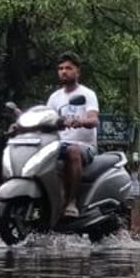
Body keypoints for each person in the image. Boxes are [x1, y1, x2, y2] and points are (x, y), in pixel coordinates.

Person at [47, 53, 100, 218]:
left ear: (77, 72)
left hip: (84, 146)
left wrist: (82, 120)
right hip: (59, 145)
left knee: (73, 151)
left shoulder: (87, 94)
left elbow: (93, 119)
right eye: (60, 68)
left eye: (68, 68)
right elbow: (47, 118)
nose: (64, 71)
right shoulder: (54, 97)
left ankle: (71, 202)